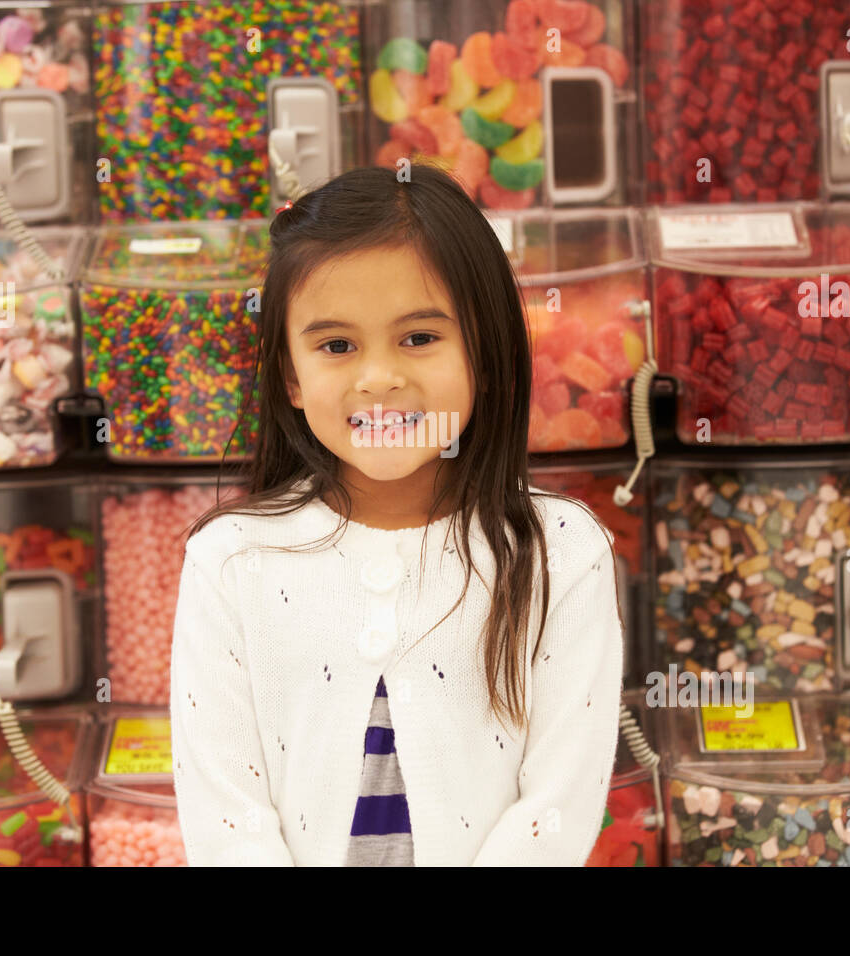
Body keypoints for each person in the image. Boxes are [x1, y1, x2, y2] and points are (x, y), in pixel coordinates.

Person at [169, 163, 624, 866]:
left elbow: (557, 808)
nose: (378, 377)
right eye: (336, 346)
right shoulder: (231, 560)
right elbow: (225, 814)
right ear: (291, 376)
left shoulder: (561, 553)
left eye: (419, 338)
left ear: (486, 347)